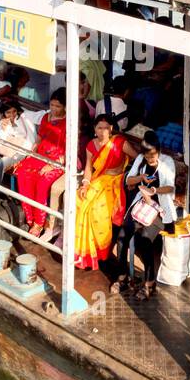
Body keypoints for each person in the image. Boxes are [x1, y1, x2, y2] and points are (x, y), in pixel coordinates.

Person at [75, 114, 137, 274]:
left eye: (106, 128)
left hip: (117, 181)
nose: (102, 131)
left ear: (111, 129)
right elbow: (88, 168)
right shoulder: (91, 145)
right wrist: (85, 184)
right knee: (79, 201)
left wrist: (131, 177)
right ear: (94, 129)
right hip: (99, 180)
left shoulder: (119, 142)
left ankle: (102, 252)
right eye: (99, 128)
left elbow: (137, 158)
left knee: (98, 210)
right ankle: (88, 252)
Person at [124, 134, 178, 299]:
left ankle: (149, 282)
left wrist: (153, 190)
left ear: (159, 151)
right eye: (147, 156)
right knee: (123, 234)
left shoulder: (167, 162)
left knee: (144, 239)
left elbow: (170, 187)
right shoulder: (141, 159)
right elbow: (128, 181)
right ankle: (123, 276)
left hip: (161, 211)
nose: (150, 159)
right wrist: (141, 178)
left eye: (153, 156)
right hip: (142, 207)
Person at [18, 90, 69, 239]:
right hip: (40, 155)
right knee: (23, 172)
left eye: (57, 106)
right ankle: (29, 217)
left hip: (58, 160)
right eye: (52, 105)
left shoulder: (69, 122)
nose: (53, 109)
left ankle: (39, 223)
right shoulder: (46, 117)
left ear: (65, 107)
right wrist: (32, 151)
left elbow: (69, 150)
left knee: (42, 182)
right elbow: (39, 137)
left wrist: (53, 165)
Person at [0, 100, 32, 187]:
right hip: (5, 149)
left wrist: (21, 152)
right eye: (8, 112)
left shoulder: (23, 119)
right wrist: (4, 129)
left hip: (21, 151)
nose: (12, 115)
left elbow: (31, 138)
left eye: (14, 111)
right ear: (4, 113)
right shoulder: (4, 122)